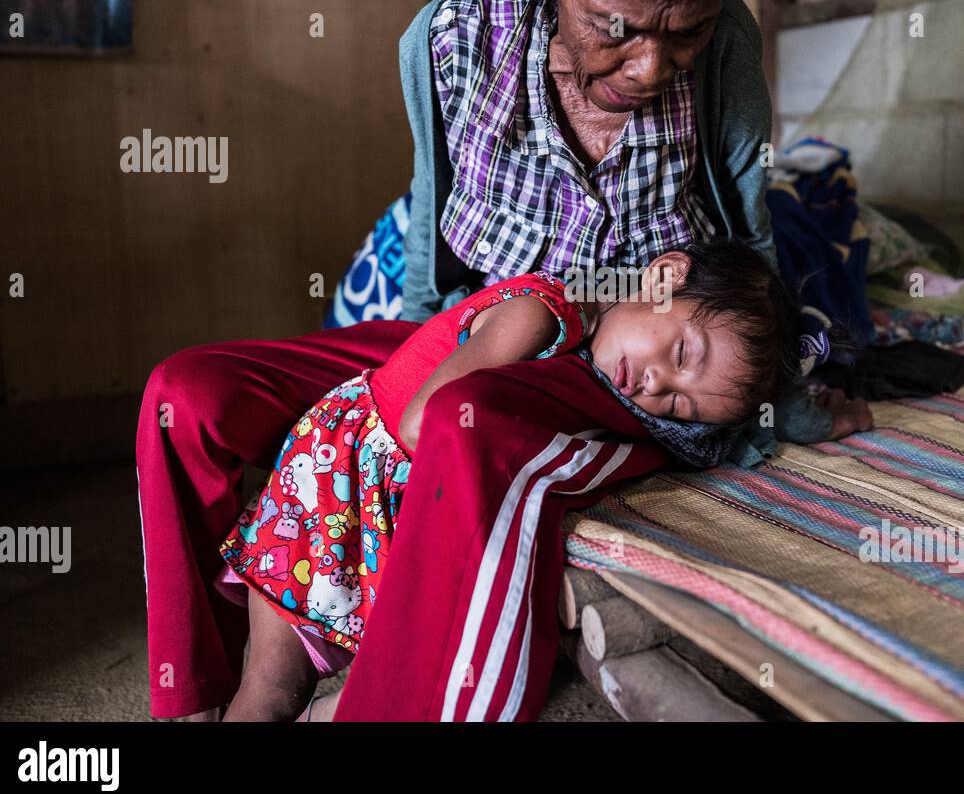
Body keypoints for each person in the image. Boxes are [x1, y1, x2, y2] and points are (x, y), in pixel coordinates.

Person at [136, 0, 872, 722]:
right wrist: (403, 362)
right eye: (617, 26)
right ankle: (198, 693)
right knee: (185, 395)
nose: (650, 68)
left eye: (687, 31)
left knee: (463, 416)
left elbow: (747, 241)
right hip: (481, 323)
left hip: (604, 362)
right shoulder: (450, 43)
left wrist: (777, 397)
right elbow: (429, 233)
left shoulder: (729, 53)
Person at [218, 241, 802, 721]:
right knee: (270, 690)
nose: (653, 386)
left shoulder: (586, 357)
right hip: (333, 485)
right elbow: (429, 421)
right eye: (680, 353)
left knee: (353, 687)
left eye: (678, 405)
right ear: (661, 277)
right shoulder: (541, 311)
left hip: (383, 503)